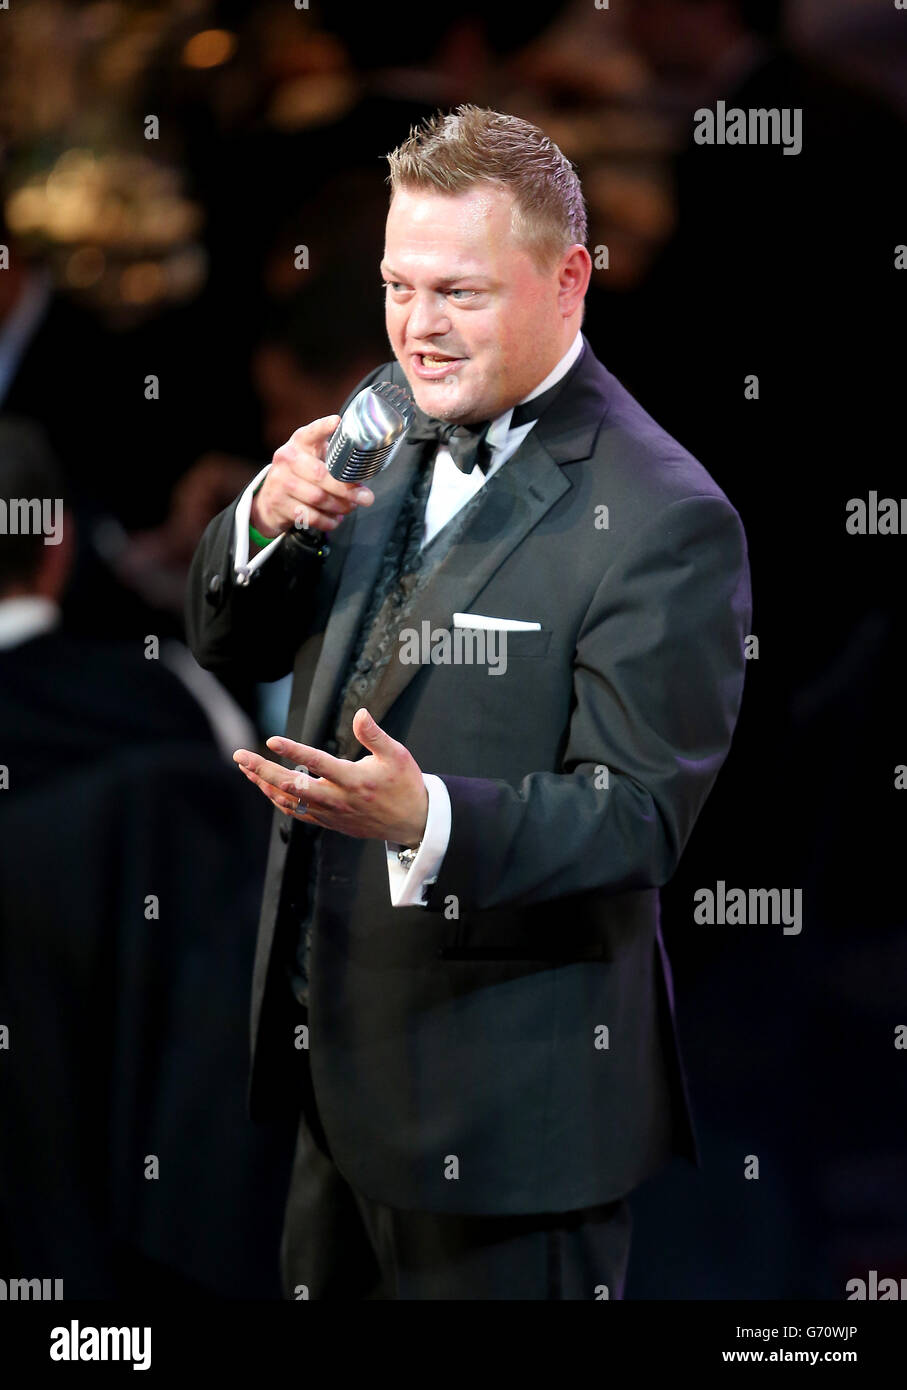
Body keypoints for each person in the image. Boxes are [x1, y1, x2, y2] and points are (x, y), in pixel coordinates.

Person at [186, 106, 752, 1301]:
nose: (417, 328)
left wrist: (429, 817)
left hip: (505, 1125)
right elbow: (231, 635)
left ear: (568, 280)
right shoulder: (385, 413)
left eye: (458, 293)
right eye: (399, 287)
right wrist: (262, 521)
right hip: (329, 1084)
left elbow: (639, 816)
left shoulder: (665, 517)